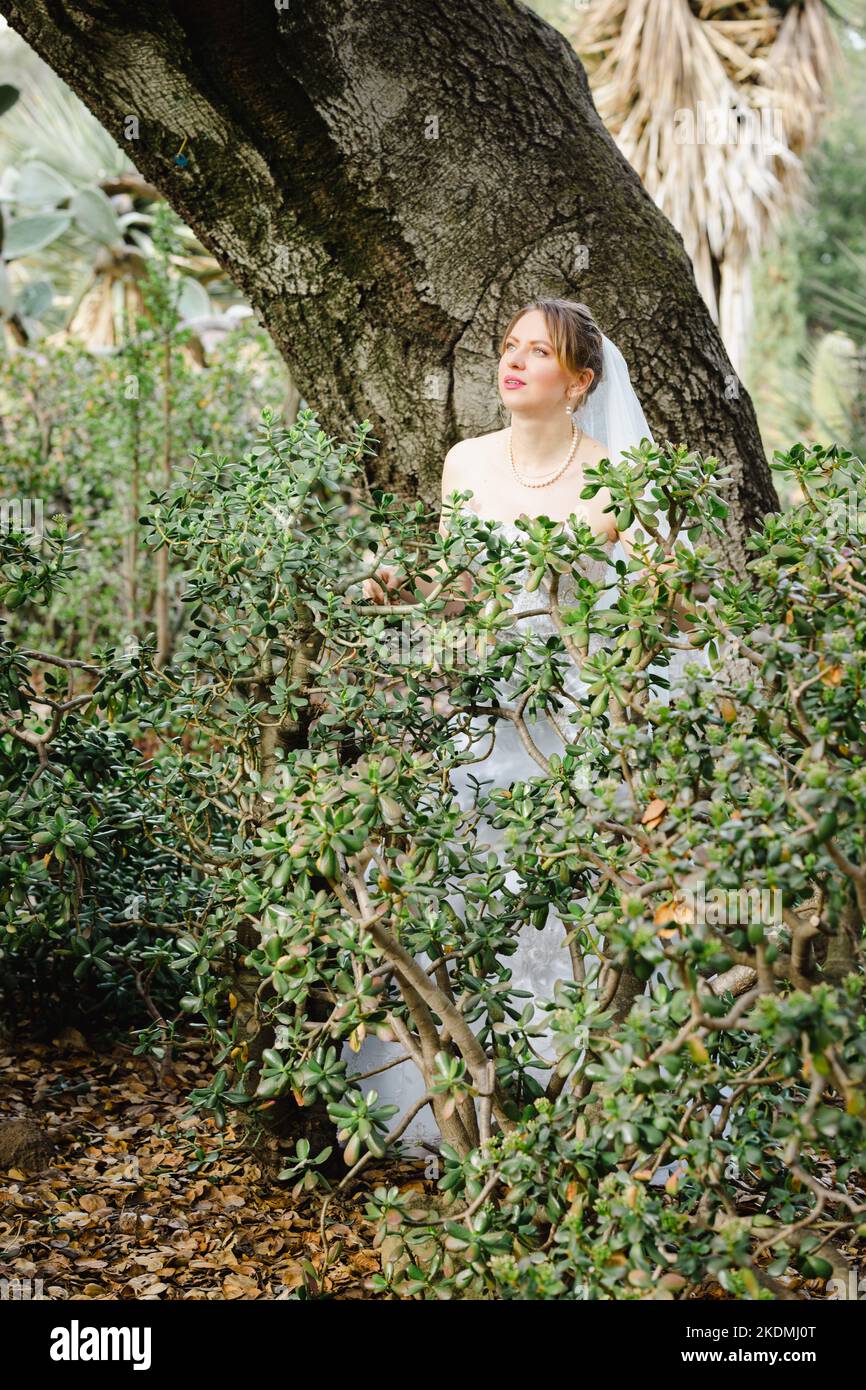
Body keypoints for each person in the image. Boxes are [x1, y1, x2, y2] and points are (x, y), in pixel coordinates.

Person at [355, 298, 698, 1152]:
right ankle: (479, 1102)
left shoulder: (621, 474)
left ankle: (582, 1104)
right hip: (481, 711)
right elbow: (462, 600)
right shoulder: (464, 464)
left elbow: (662, 609)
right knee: (476, 890)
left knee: (571, 897)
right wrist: (405, 598)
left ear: (581, 381)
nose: (512, 361)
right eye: (509, 346)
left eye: (537, 352)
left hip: (575, 718)